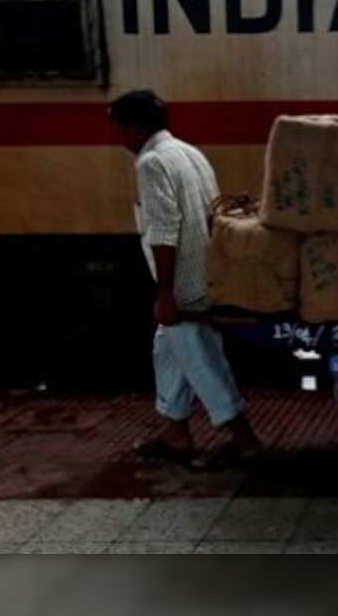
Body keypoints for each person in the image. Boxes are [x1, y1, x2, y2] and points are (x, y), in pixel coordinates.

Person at [108, 90, 262, 468]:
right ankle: (175, 434)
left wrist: (165, 294)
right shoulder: (189, 152)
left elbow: (163, 231)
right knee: (168, 349)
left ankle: (245, 441)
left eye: (120, 129)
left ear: (136, 127)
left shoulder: (152, 162)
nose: (118, 138)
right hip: (205, 272)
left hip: (183, 284)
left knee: (199, 358)